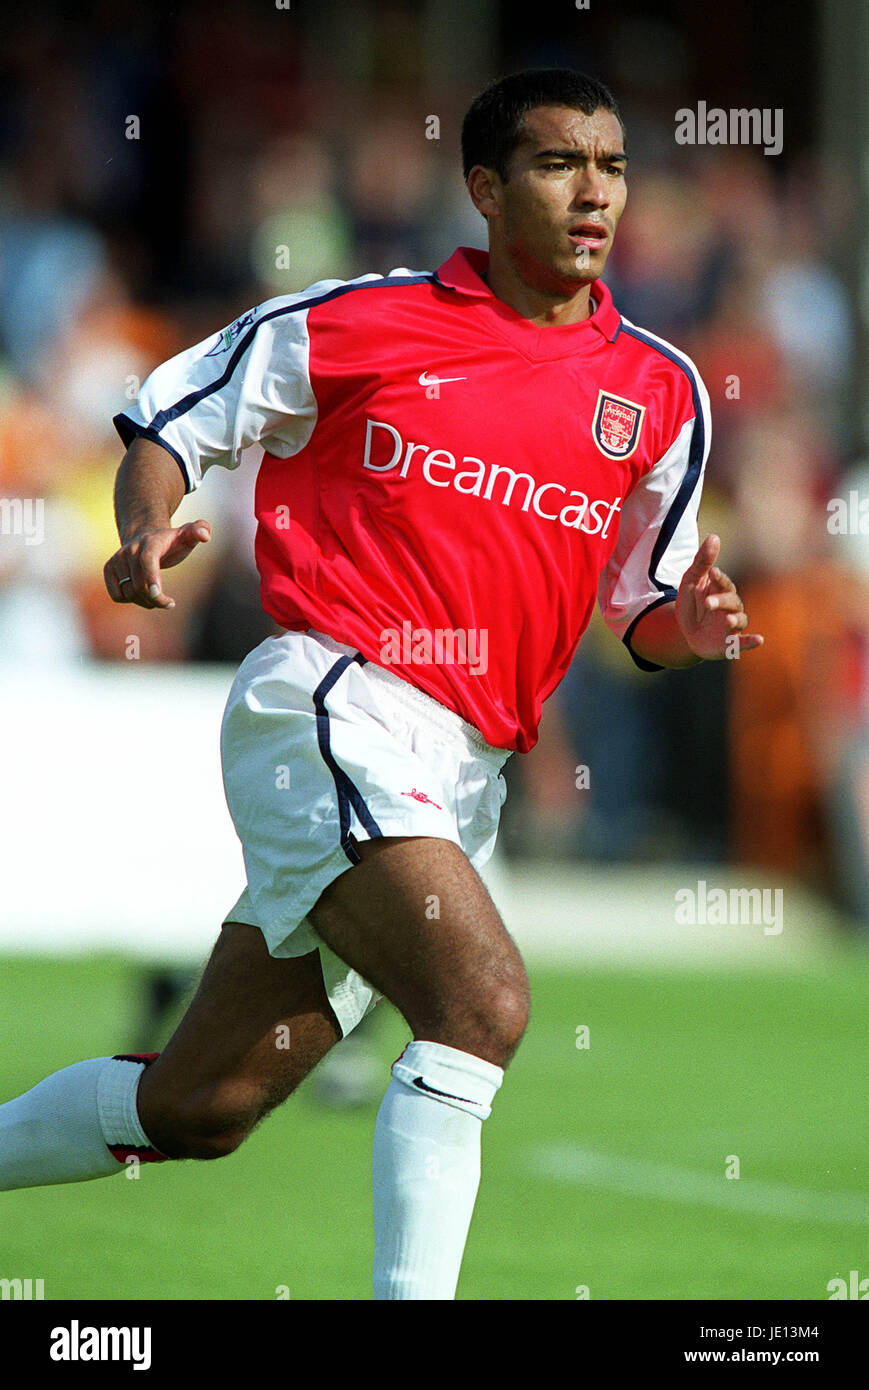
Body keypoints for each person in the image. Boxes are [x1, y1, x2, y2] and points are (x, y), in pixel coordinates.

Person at [0, 69, 762, 1299]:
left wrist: (692, 625)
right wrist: (145, 533)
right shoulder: (363, 319)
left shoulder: (661, 390)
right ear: (483, 187)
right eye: (560, 164)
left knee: (201, 1104)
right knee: (483, 1003)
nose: (595, 194)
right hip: (332, 700)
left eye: (612, 167)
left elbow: (637, 617)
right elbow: (167, 416)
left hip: (462, 769)